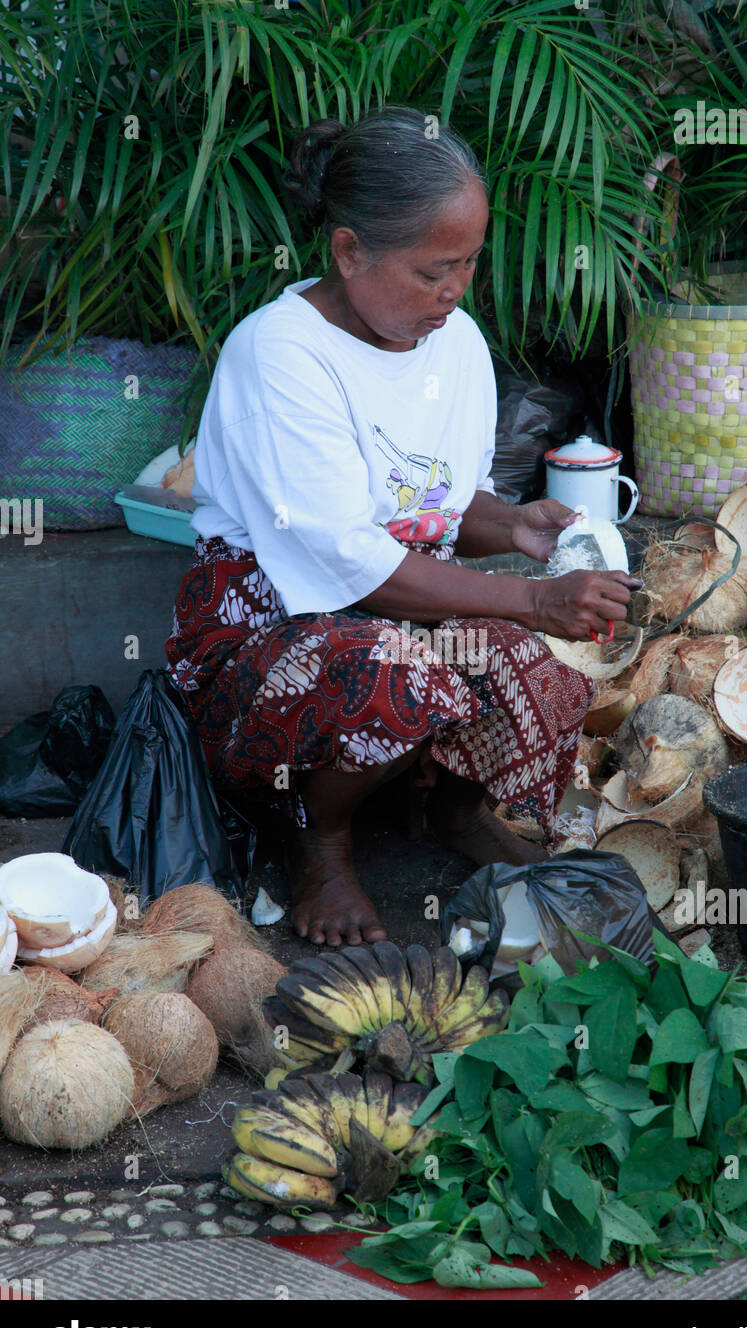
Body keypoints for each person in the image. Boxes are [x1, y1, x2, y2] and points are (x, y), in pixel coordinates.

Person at [165, 106, 635, 949]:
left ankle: (456, 812)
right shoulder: (281, 356)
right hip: (271, 630)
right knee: (398, 672)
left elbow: (438, 507)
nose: (454, 291)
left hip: (397, 605)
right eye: (433, 270)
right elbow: (354, 562)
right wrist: (533, 595)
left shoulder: (452, 343)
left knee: (545, 669)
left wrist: (517, 527)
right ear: (350, 253)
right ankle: (321, 840)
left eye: (468, 265)